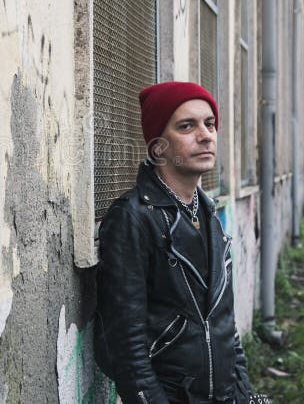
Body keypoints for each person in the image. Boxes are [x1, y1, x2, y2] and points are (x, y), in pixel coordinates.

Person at [94, 81, 258, 404]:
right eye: (187, 126)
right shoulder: (132, 218)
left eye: (209, 124)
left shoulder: (208, 213)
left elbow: (225, 325)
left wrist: (243, 391)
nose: (205, 135)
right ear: (158, 147)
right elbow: (126, 345)